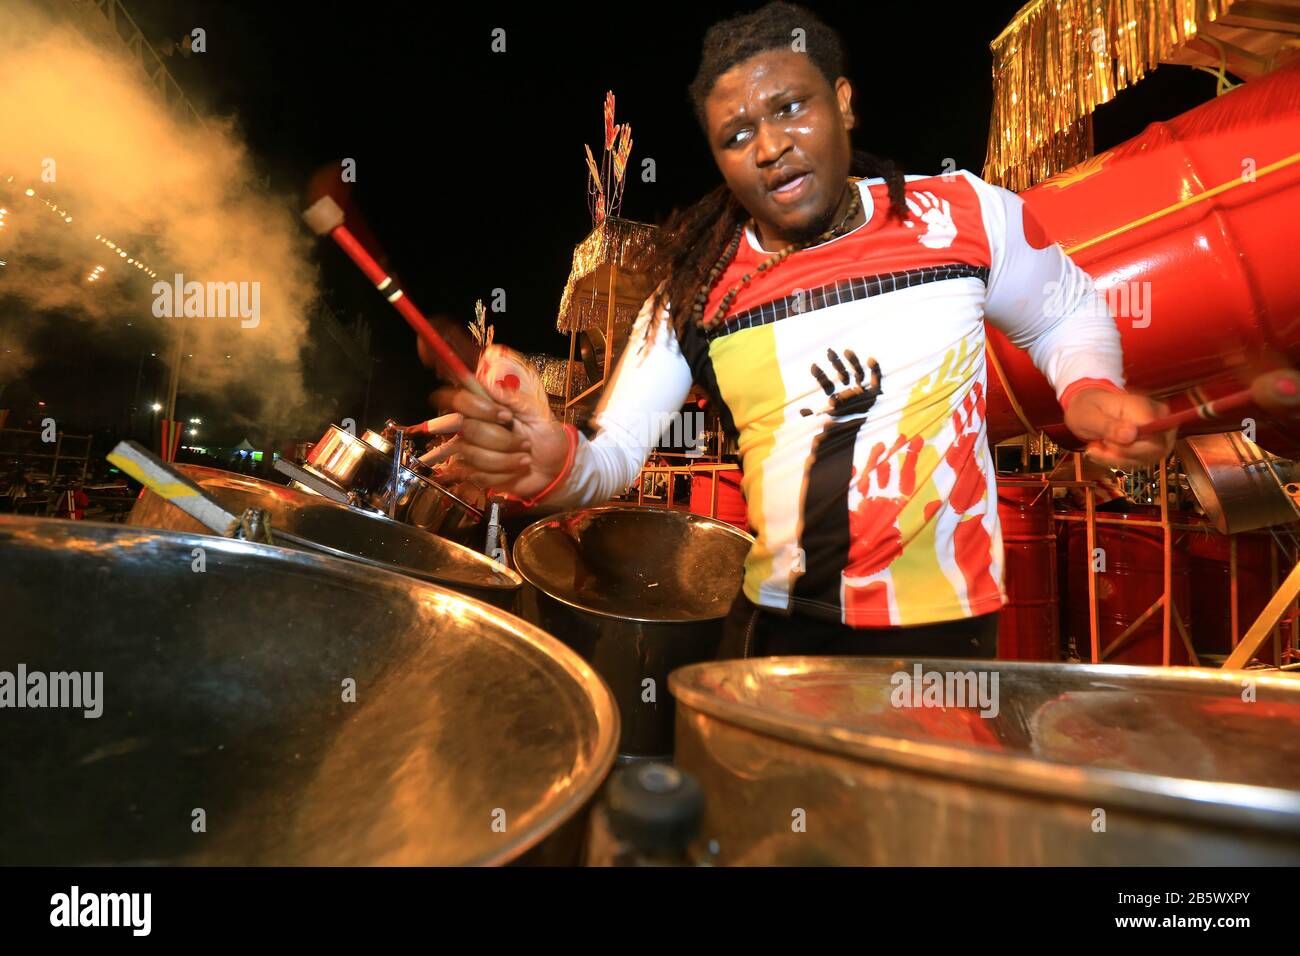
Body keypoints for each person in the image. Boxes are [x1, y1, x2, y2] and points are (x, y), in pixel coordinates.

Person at [433, 2, 1174, 659]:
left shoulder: (966, 215)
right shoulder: (693, 291)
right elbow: (615, 452)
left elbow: (1063, 310)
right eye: (737, 134)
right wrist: (548, 456)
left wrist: (1088, 387)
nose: (768, 146)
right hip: (780, 637)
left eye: (790, 108)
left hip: (948, 639)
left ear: (844, 103)